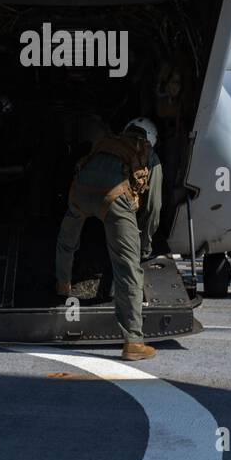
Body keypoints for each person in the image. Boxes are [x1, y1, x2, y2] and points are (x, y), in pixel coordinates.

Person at [54, 117, 163, 361]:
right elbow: (154, 207)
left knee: (66, 240)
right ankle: (134, 342)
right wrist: (144, 246)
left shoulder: (105, 143)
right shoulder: (149, 154)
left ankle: (62, 285)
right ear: (151, 138)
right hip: (114, 199)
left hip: (80, 192)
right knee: (128, 269)